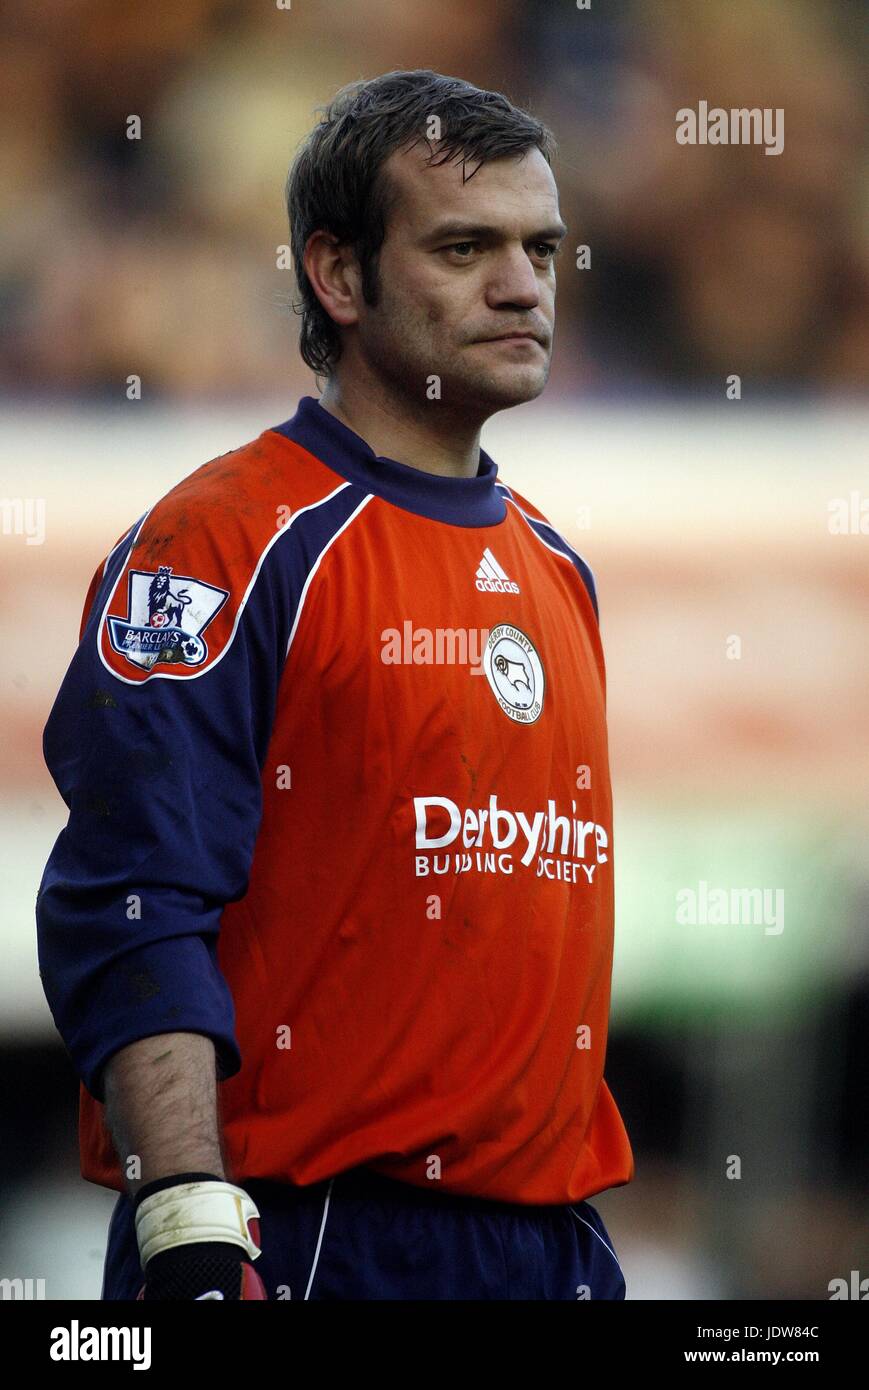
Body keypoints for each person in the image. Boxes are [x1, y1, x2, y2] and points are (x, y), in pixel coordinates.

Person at [37, 68, 634, 1301]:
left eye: (541, 248)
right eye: (464, 246)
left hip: (550, 1248)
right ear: (338, 275)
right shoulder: (222, 542)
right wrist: (190, 1223)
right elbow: (130, 900)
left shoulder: (554, 566)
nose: (521, 286)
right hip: (306, 1242)